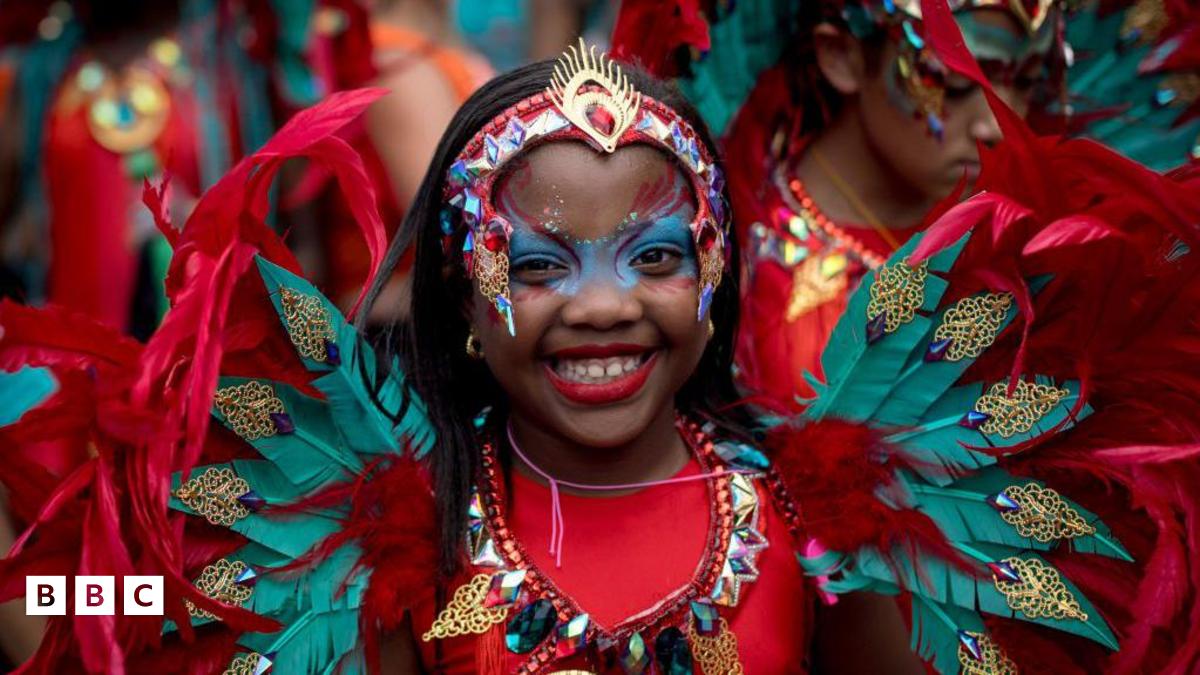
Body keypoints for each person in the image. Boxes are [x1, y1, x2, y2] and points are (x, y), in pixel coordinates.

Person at [0, 37, 1197, 674]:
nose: (604, 306)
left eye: (657, 258)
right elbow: (96, 604)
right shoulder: (409, 540)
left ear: (717, 276)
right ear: (465, 303)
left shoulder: (817, 522)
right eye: (536, 267)